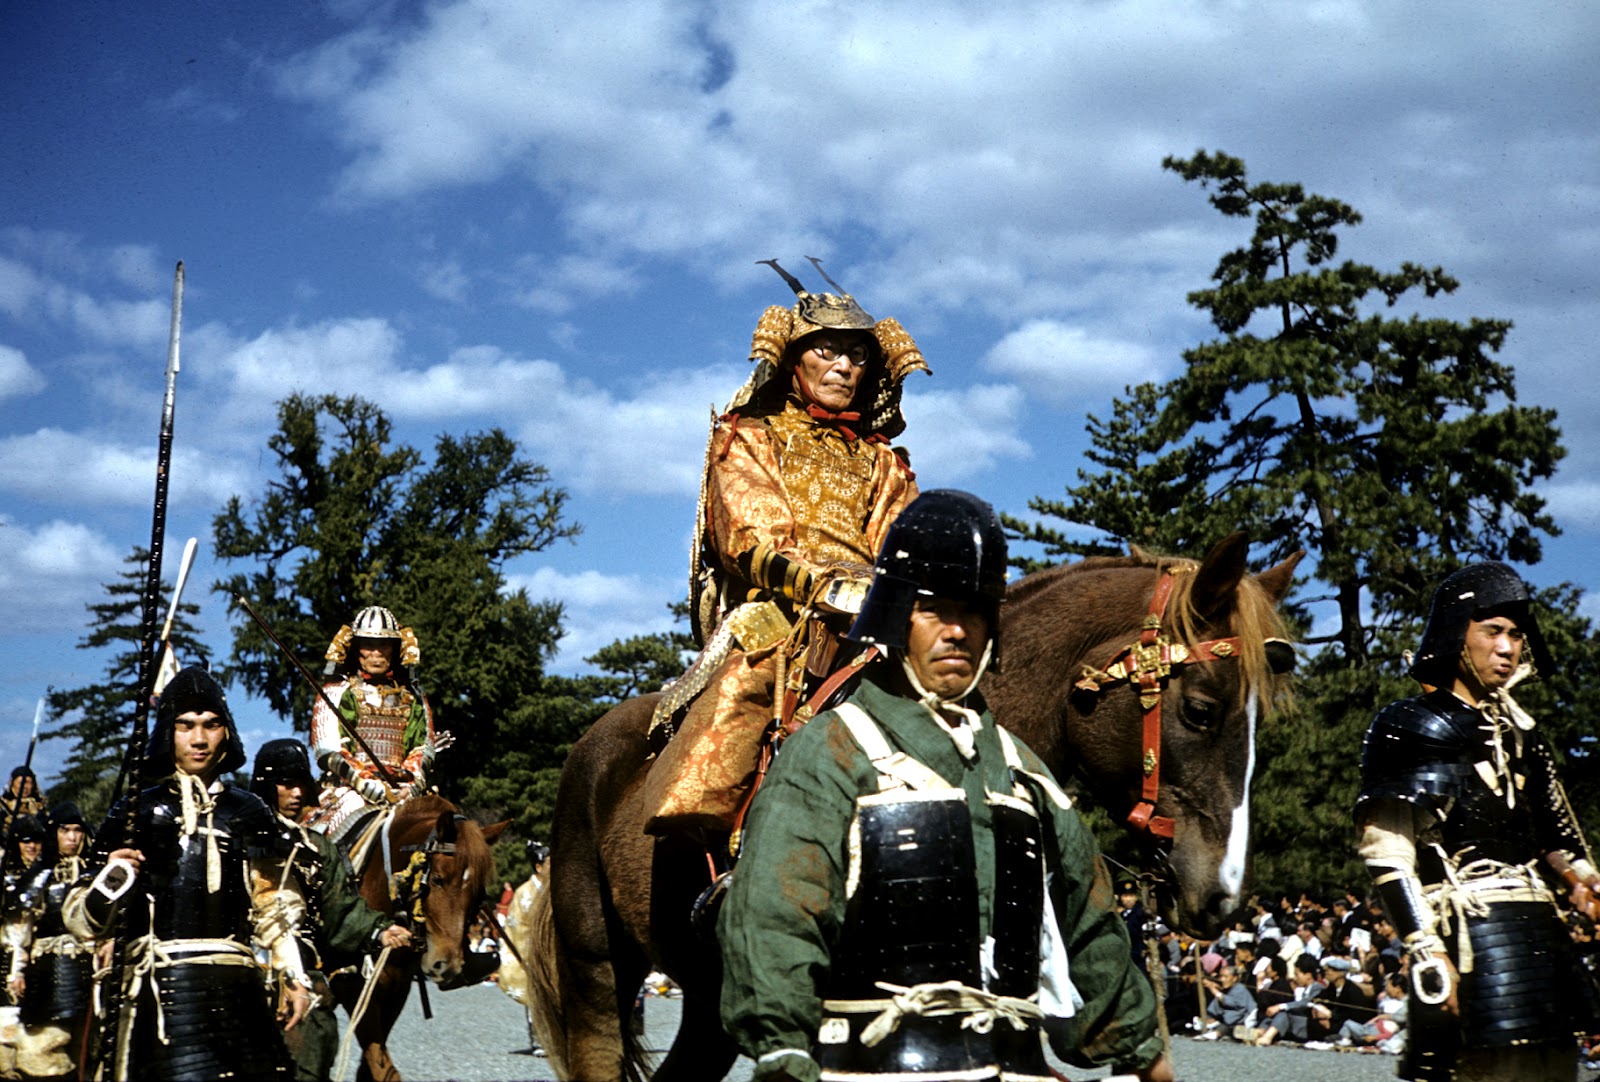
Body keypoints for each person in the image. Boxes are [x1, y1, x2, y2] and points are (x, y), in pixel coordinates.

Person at [718, 490, 1171, 1082]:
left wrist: (1141, 1049)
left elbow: (1088, 920)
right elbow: (777, 916)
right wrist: (782, 1050)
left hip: (1015, 1066)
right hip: (870, 1066)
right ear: (898, 614)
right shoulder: (831, 752)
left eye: (974, 610)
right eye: (935, 610)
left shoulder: (1022, 771)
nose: (956, 631)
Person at [642, 260, 927, 840]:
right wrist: (823, 587)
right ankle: (708, 827)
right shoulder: (749, 436)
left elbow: (903, 540)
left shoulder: (883, 461)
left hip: (874, 613)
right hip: (783, 605)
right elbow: (748, 534)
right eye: (826, 351)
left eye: (857, 355)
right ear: (794, 360)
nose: (844, 366)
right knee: (754, 672)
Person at [1357, 562, 1598, 1081]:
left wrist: (1579, 879)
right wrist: (1424, 950)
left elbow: (1548, 838)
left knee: (1553, 1065)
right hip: (1463, 935)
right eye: (1493, 631)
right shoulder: (1412, 725)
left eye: (1515, 634)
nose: (1508, 648)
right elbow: (1388, 853)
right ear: (1456, 632)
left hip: (1537, 935)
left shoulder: (1523, 733)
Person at [65, 666, 309, 1080]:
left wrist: (293, 975)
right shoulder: (134, 812)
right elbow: (80, 922)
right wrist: (112, 880)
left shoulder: (249, 811)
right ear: (168, 732)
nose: (199, 739)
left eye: (211, 725)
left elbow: (275, 906)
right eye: (186, 726)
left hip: (239, 991)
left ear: (227, 733)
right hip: (159, 991)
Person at [250, 739, 410, 1082]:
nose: (296, 793)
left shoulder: (317, 847)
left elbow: (339, 907)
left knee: (312, 1057)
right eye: (286, 783)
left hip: (305, 979)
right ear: (265, 784)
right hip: (242, 974)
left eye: (301, 784)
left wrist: (378, 930)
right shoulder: (233, 834)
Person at [310, 606, 437, 850]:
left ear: (396, 649)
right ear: (355, 648)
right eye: (367, 644)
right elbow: (330, 750)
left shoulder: (414, 697)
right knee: (333, 835)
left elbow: (422, 748)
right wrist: (369, 785)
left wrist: (410, 787)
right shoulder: (336, 692)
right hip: (350, 789)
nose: (376, 653)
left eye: (384, 645)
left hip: (405, 790)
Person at [4, 803, 95, 1078]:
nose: (72, 838)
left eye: (78, 831)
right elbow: (20, 930)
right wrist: (17, 972)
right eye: (65, 830)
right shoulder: (39, 877)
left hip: (93, 970)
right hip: (49, 973)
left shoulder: (96, 871)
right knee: (41, 1049)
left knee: (90, 1048)